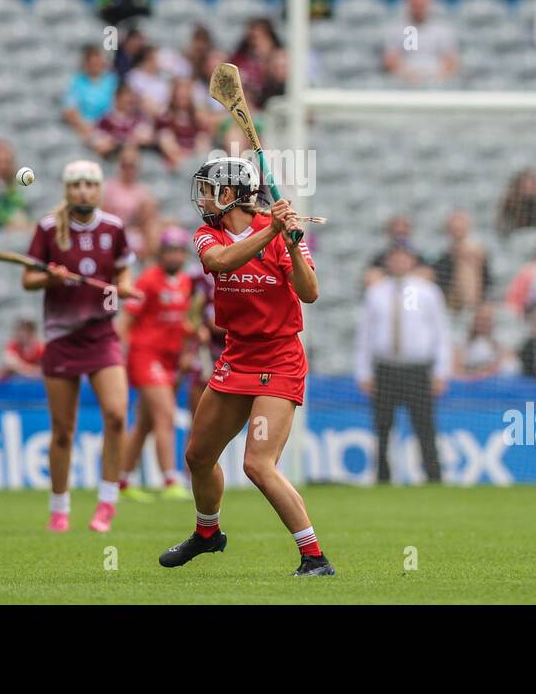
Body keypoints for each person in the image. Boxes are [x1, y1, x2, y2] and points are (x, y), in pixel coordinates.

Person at [159, 156, 333, 577]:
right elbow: (221, 262)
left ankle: (314, 558)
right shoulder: (207, 235)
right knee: (198, 455)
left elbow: (309, 293)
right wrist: (272, 229)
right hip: (236, 356)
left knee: (257, 463)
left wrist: (289, 240)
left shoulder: (284, 234)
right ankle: (207, 534)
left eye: (208, 189)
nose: (201, 197)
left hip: (279, 360)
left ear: (230, 193)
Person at [23, 160, 139, 533]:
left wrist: (120, 286)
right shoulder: (47, 229)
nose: (83, 191)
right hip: (61, 336)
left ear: (99, 188)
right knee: (62, 429)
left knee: (117, 414)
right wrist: (50, 278)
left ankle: (107, 503)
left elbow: (122, 268)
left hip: (101, 333)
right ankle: (59, 509)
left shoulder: (114, 228)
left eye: (90, 184)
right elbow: (28, 279)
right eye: (76, 185)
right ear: (67, 190)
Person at [355, 243, 449, 484]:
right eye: (394, 258)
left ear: (412, 261)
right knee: (383, 427)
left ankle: (433, 477)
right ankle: (382, 477)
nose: (399, 262)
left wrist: (441, 371)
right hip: (385, 367)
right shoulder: (376, 292)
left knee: (424, 426)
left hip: (417, 369)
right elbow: (365, 334)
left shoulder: (427, 292)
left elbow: (441, 333)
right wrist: (364, 371)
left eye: (404, 258)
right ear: (388, 261)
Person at [117, 227, 196, 502]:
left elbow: (179, 321)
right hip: (145, 356)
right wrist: (120, 356)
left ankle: (122, 481)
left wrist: (190, 340)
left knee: (144, 424)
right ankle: (170, 479)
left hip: (169, 359)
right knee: (166, 415)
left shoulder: (186, 282)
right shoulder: (148, 280)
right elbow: (126, 323)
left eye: (178, 251)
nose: (174, 256)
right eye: (169, 251)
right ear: (160, 254)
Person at [381, 0, 459, 85]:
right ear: (408, 3)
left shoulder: (442, 29)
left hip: (437, 80)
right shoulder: (396, 29)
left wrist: (436, 77)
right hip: (404, 80)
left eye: (422, 4)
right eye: (415, 4)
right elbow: (390, 60)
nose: (418, 7)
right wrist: (408, 75)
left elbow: (451, 61)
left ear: (429, 3)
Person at [431, 211, 490, 314]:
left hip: (475, 300)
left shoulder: (478, 254)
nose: (457, 232)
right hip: (448, 300)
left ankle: (470, 309)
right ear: (448, 231)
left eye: (460, 228)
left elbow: (488, 282)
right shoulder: (440, 257)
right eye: (454, 229)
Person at [456, 302, 517, 378]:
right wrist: (478, 371)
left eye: (486, 319)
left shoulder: (500, 342)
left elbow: (506, 362)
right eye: (479, 318)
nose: (482, 323)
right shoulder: (463, 340)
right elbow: (457, 369)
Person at [497, 168, 536, 235]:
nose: (528, 188)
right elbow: (503, 227)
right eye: (524, 185)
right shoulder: (509, 203)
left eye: (532, 184)